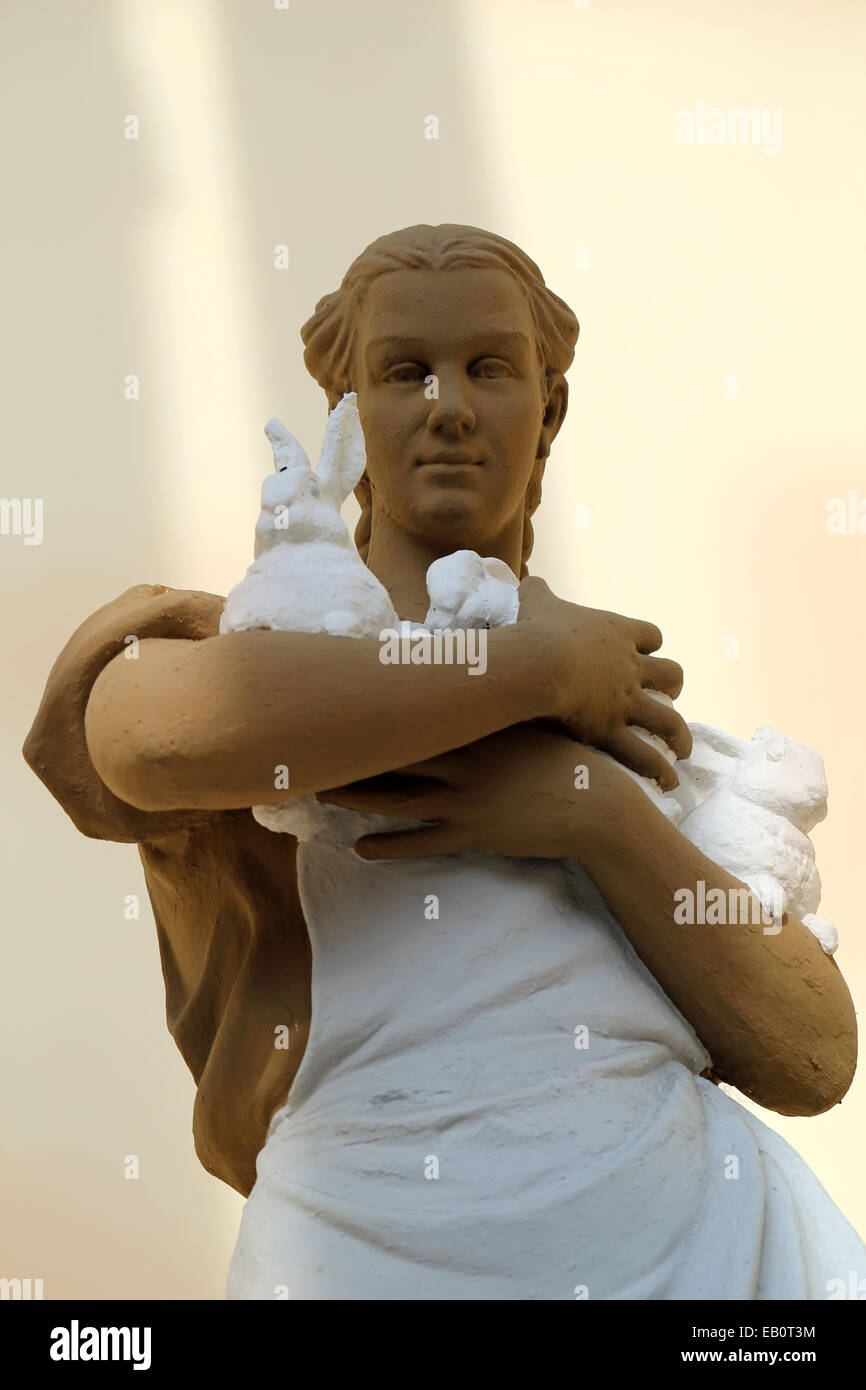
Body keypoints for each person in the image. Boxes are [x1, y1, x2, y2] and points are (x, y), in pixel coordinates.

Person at [24, 224, 865, 1299]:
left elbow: (810, 1052)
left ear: (547, 410)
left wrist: (590, 815)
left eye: (490, 369)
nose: (449, 407)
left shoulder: (627, 718)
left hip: (690, 1247)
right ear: (346, 415)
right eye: (403, 372)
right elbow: (146, 739)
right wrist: (532, 669)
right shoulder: (264, 665)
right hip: (354, 1240)